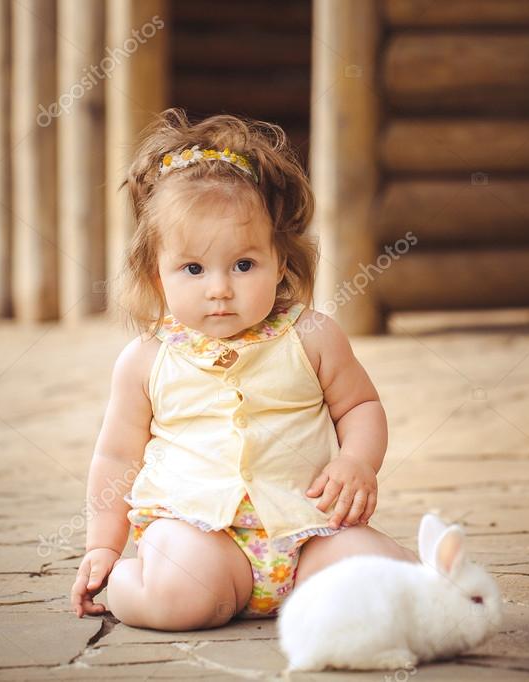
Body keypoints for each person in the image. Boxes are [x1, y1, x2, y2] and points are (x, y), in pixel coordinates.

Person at [69, 108, 416, 631]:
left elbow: (360, 406)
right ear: (155, 273)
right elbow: (117, 456)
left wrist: (357, 462)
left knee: (384, 578)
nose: (219, 288)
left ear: (280, 260)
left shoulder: (312, 336)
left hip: (307, 532)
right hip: (200, 533)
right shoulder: (146, 359)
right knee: (183, 599)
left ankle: (425, 587)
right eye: (193, 268)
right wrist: (103, 543)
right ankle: (127, 582)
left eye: (243, 265)